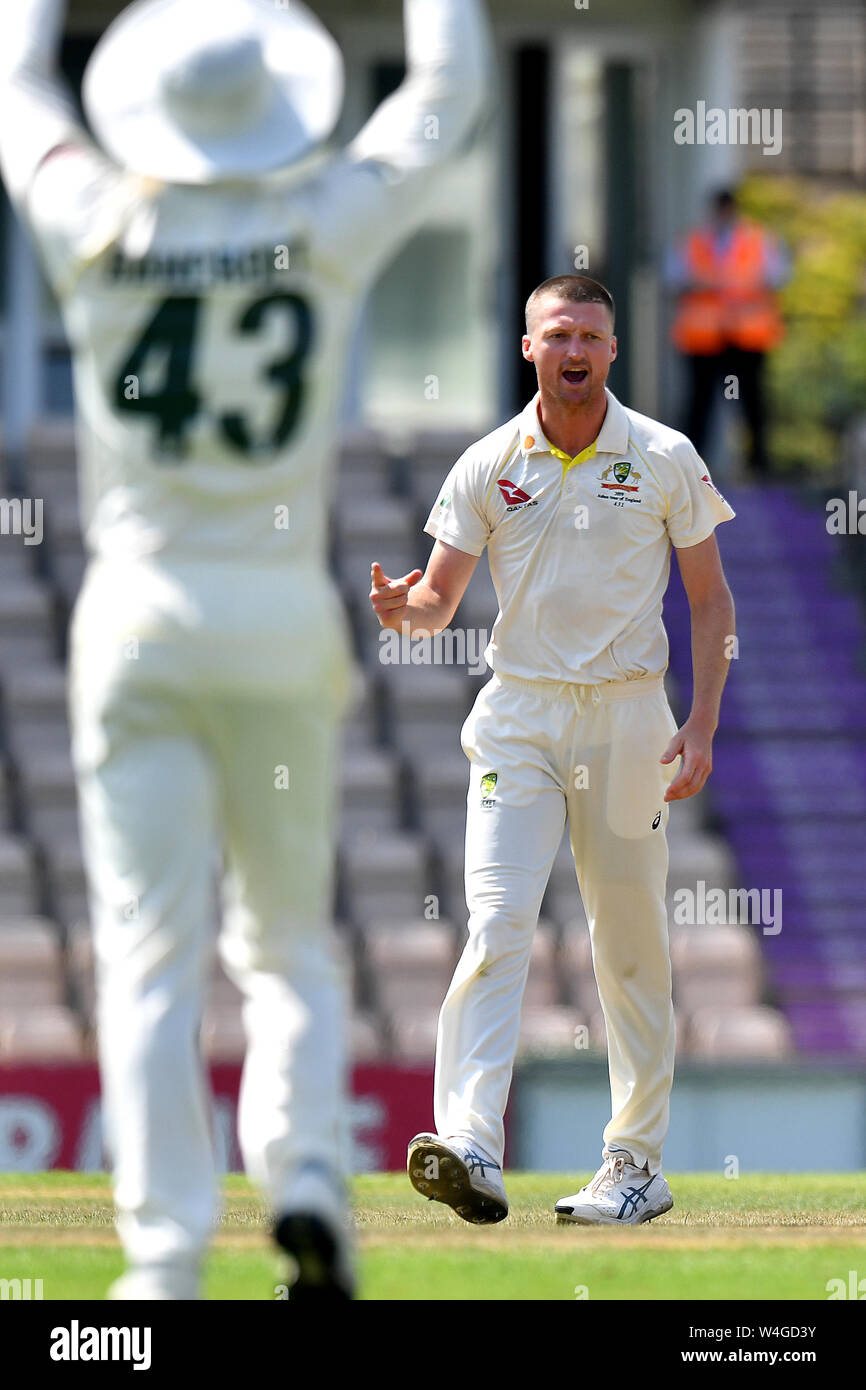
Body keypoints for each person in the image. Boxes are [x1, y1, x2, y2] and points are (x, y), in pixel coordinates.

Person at [0, 0, 491, 1298]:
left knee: (150, 951)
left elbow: (13, 76)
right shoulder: (318, 223)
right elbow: (445, 90)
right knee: (287, 941)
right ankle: (310, 1178)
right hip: (278, 612)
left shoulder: (93, 218)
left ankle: (162, 1259)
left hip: (140, 612)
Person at [370, 274, 736, 1226]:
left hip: (628, 717)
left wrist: (698, 724)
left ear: (613, 351)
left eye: (592, 336)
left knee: (628, 946)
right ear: (528, 348)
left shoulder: (663, 455)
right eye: (558, 334)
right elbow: (437, 602)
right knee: (495, 924)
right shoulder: (489, 463)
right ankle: (471, 1146)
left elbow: (710, 599)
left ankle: (635, 1163)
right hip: (521, 716)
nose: (575, 350)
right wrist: (404, 610)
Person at [667, 187, 788, 477]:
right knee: (699, 404)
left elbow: (778, 276)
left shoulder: (759, 240)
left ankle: (758, 464)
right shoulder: (694, 242)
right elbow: (673, 278)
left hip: (747, 337)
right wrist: (708, 286)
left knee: (752, 403)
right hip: (703, 338)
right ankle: (693, 466)